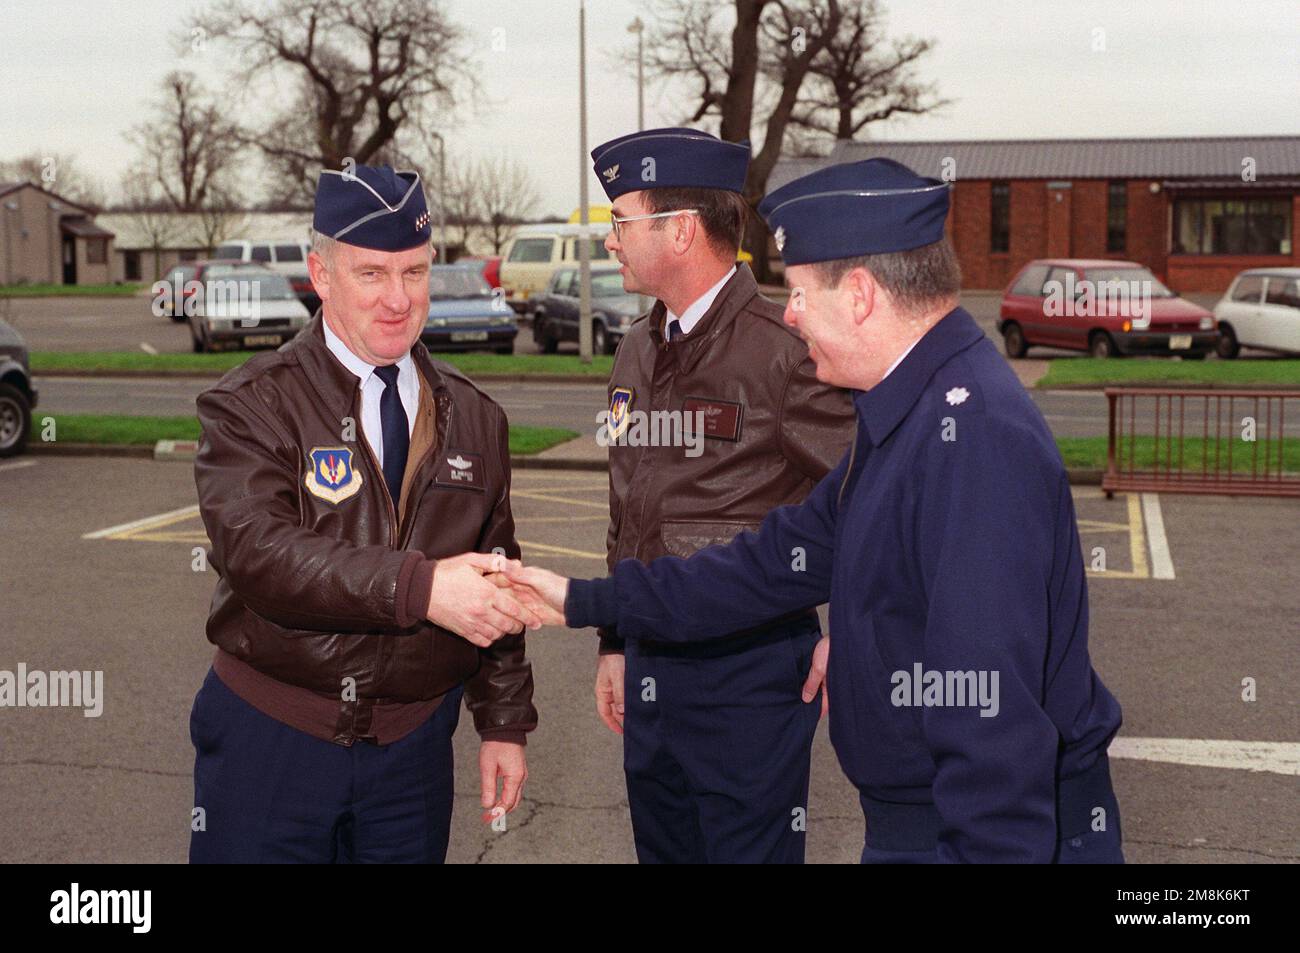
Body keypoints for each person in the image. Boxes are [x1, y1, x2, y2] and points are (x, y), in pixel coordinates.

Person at [508, 157, 1125, 864]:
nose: (789, 314)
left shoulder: (970, 438)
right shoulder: (907, 413)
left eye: (799, 293)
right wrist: (583, 600)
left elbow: (991, 731)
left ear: (859, 294)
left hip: (964, 831)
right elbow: (767, 564)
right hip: (917, 815)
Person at [189, 163, 541, 863]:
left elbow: (494, 575)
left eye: (414, 273)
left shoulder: (473, 415)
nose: (398, 300)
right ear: (321, 275)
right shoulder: (253, 403)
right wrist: (421, 586)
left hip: (411, 756)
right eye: (371, 274)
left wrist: (503, 720)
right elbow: (259, 553)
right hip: (273, 739)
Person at [581, 126, 855, 863]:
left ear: (679, 230)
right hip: (650, 669)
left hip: (747, 677)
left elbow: (877, 505)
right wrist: (615, 638)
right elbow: (628, 504)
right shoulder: (638, 346)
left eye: (620, 222)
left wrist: (858, 628)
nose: (609, 242)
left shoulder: (787, 350)